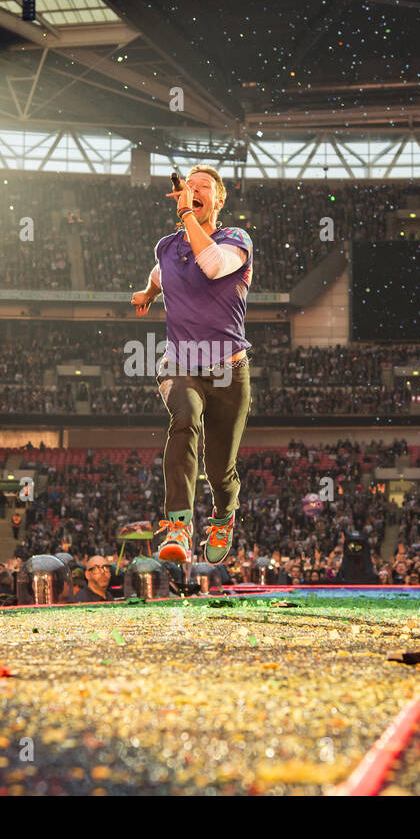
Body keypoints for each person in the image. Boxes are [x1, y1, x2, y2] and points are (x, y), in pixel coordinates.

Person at [131, 165, 253, 567]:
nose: (193, 191)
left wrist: (187, 215)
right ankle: (179, 524)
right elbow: (161, 273)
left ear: (218, 200)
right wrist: (149, 291)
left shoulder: (236, 240)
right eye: (188, 187)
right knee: (185, 418)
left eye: (203, 188)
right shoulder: (167, 246)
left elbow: (213, 265)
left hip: (228, 370)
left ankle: (222, 516)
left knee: (220, 469)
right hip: (181, 363)